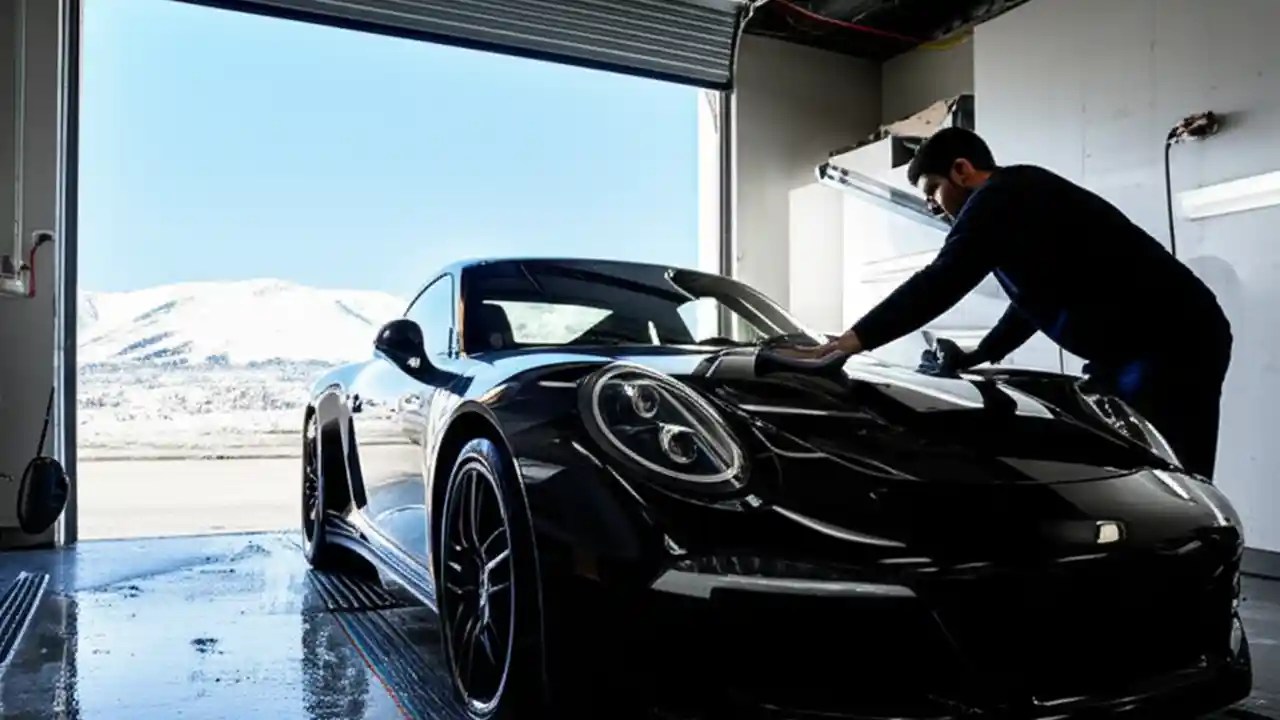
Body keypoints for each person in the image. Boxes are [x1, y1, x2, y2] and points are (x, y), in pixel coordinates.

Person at [785, 127, 1233, 481]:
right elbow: (1031, 300)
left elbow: (941, 281)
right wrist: (979, 353)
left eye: (933, 190)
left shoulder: (1000, 196)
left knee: (1167, 476)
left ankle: (1188, 582)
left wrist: (850, 342)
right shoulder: (1022, 201)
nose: (934, 207)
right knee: (1118, 457)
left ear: (961, 170)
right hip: (1146, 344)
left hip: (1170, 342)